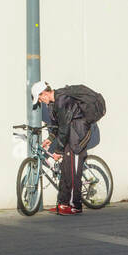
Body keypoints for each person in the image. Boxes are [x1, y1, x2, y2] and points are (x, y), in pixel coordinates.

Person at [33, 80, 106, 215]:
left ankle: (75, 205)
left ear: (44, 93)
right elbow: (58, 125)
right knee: (66, 169)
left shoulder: (62, 100)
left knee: (73, 172)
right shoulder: (53, 104)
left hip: (78, 136)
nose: (40, 101)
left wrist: (58, 151)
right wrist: (50, 139)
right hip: (70, 134)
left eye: (39, 97)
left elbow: (65, 126)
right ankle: (63, 203)